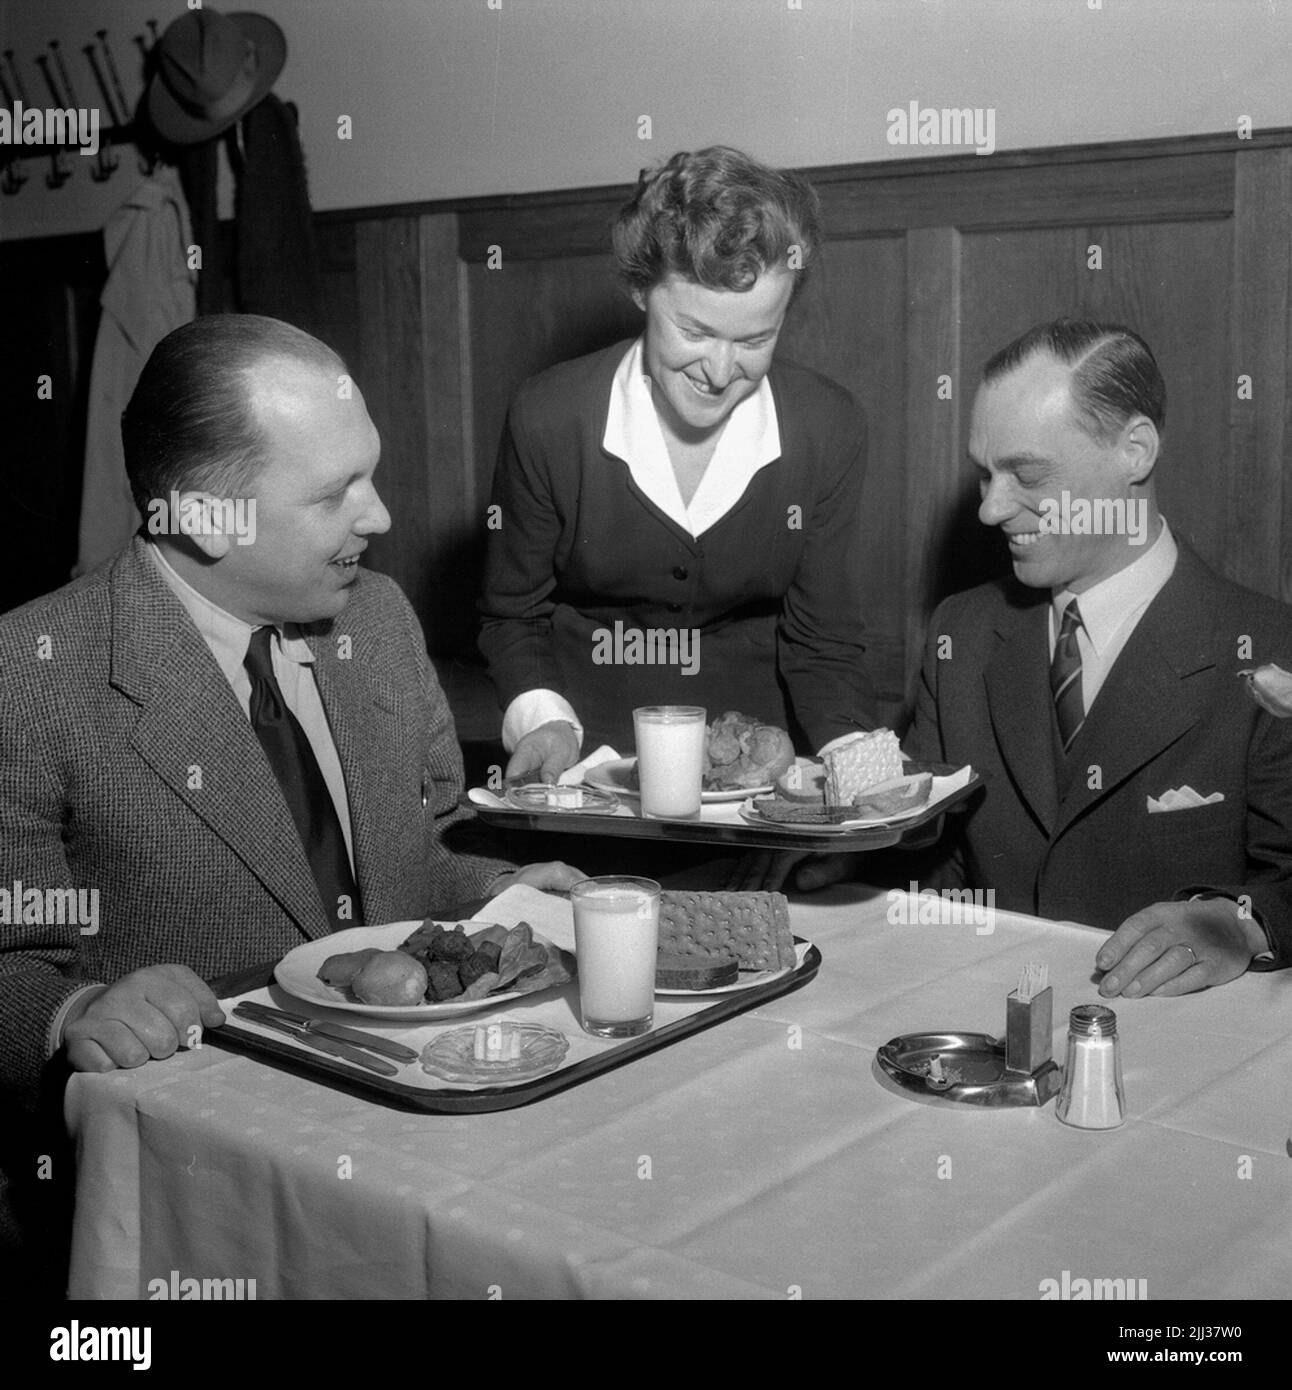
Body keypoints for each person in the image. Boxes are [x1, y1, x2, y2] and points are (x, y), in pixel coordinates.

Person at [0, 315, 577, 1278]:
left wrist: (510, 891)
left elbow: (423, 852)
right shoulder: (29, 673)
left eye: (371, 473)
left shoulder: (380, 621)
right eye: (333, 492)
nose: (381, 516)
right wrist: (76, 1014)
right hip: (201, 1199)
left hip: (426, 1149)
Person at [901, 318, 1292, 995]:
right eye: (985, 474)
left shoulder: (1272, 648)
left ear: (1134, 451)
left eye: (1026, 474)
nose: (992, 509)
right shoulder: (960, 634)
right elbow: (932, 873)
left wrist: (1242, 922)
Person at [479, 146, 877, 784]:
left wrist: (857, 764)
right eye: (694, 332)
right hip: (593, 763)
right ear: (640, 288)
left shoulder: (830, 427)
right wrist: (544, 719)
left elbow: (824, 642)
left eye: (754, 341)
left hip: (758, 780)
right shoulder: (548, 415)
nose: (721, 373)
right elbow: (512, 614)